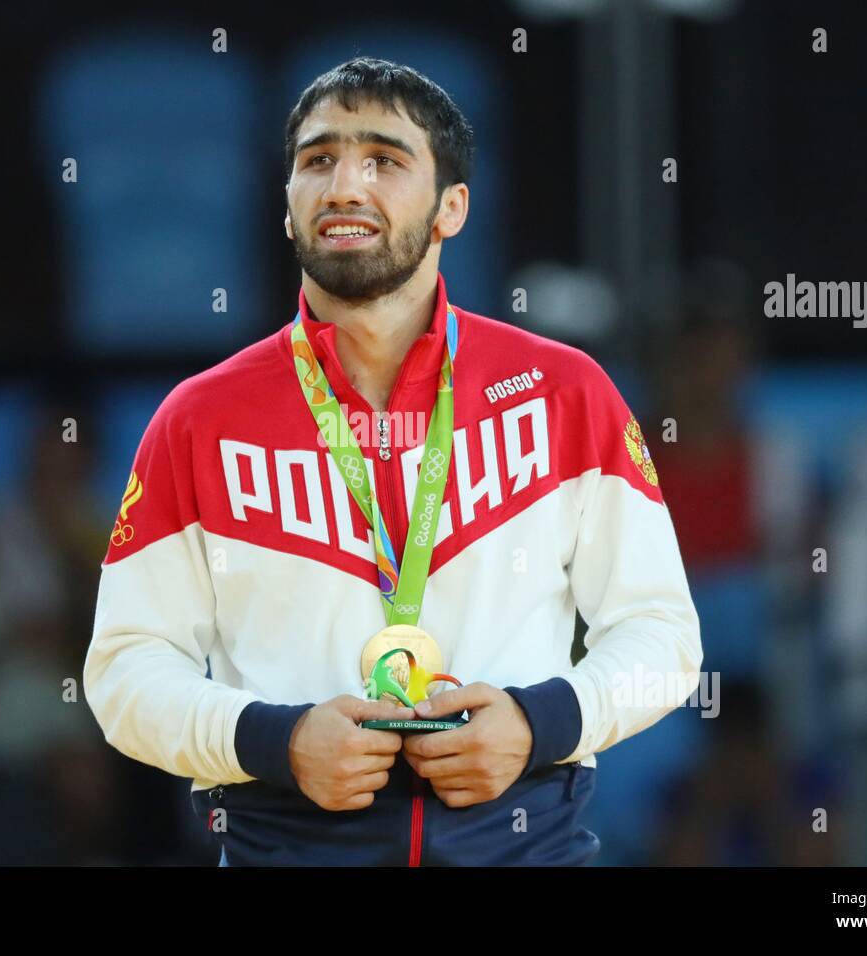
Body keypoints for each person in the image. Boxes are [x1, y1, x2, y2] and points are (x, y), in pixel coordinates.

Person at [83, 57, 702, 866]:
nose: (344, 185)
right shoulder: (197, 420)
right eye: (318, 160)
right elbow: (125, 673)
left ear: (452, 208)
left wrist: (540, 722)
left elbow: (662, 634)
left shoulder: (564, 392)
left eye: (383, 159)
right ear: (287, 207)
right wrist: (276, 739)